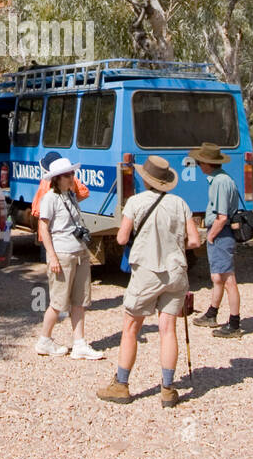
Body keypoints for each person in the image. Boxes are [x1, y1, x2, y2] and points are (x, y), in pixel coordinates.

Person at [97, 155, 200, 407]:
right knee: (168, 330)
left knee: (131, 328)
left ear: (146, 179)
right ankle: (167, 389)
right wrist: (174, 247)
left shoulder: (135, 202)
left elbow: (121, 239)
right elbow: (195, 241)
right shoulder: (180, 203)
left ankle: (121, 385)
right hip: (175, 272)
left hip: (146, 272)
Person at [35, 157, 102, 360]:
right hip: (63, 254)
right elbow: (43, 227)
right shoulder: (50, 198)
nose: (72, 177)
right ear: (56, 179)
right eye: (67, 175)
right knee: (58, 302)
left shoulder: (71, 195)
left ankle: (79, 342)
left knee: (80, 300)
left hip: (80, 252)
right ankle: (44, 340)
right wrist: (52, 256)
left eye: (72, 173)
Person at [189, 141, 243, 338]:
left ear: (207, 163)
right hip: (222, 234)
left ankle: (234, 323)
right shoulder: (221, 179)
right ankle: (212, 314)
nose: (198, 164)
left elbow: (222, 217)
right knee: (217, 277)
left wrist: (209, 237)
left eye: (200, 161)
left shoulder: (219, 182)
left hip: (221, 234)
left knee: (228, 279)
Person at [30, 151, 89, 222]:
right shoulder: (73, 178)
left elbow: (37, 211)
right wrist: (70, 203)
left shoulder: (46, 182)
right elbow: (84, 193)